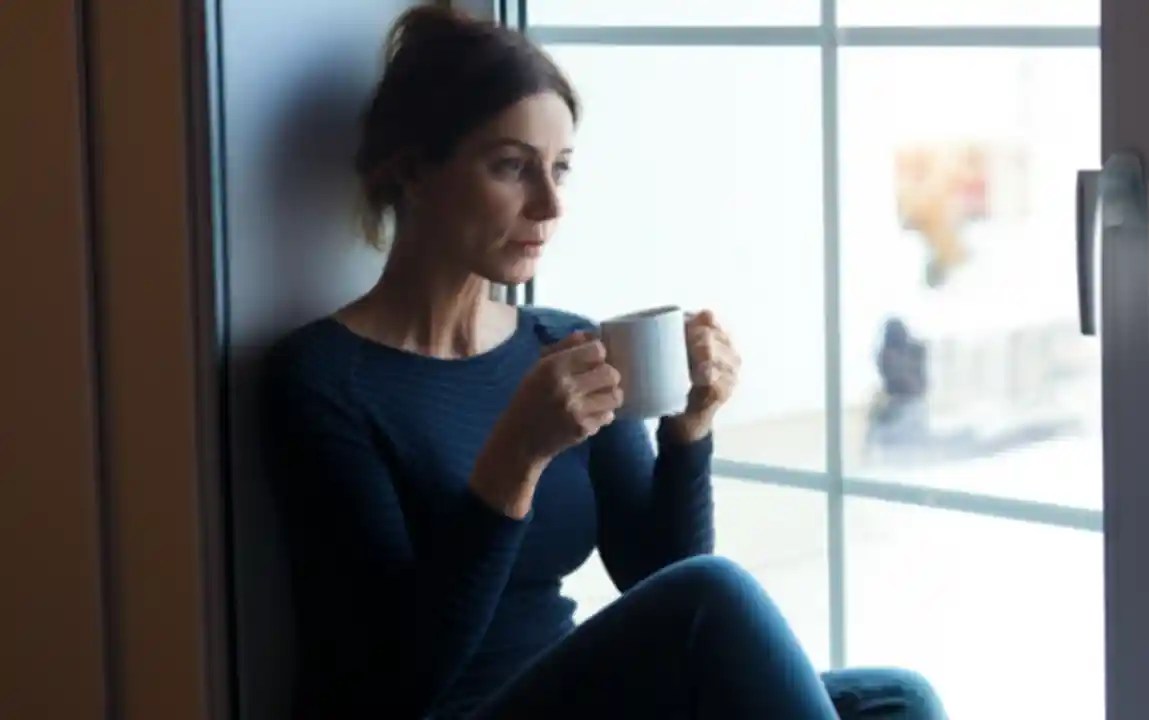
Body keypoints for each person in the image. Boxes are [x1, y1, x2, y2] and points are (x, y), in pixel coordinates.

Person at [263, 6, 948, 719]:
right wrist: (514, 461)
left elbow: (657, 576)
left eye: (560, 169)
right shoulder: (322, 380)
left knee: (897, 701)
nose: (550, 203)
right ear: (412, 169)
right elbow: (397, 683)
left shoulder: (559, 347)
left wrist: (688, 432)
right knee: (714, 595)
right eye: (511, 167)